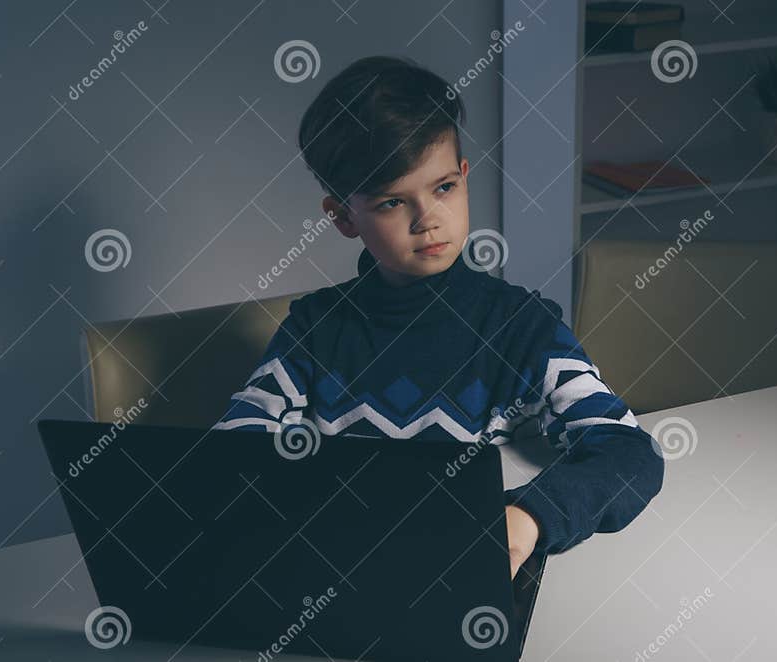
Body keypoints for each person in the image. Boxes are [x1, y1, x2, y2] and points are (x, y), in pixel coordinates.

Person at [216, 55, 664, 579]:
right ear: (342, 216)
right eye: (390, 203)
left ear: (464, 178)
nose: (428, 219)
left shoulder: (523, 328)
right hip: (337, 577)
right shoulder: (314, 330)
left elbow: (629, 453)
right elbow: (235, 453)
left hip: (468, 574)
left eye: (443, 188)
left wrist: (528, 517)